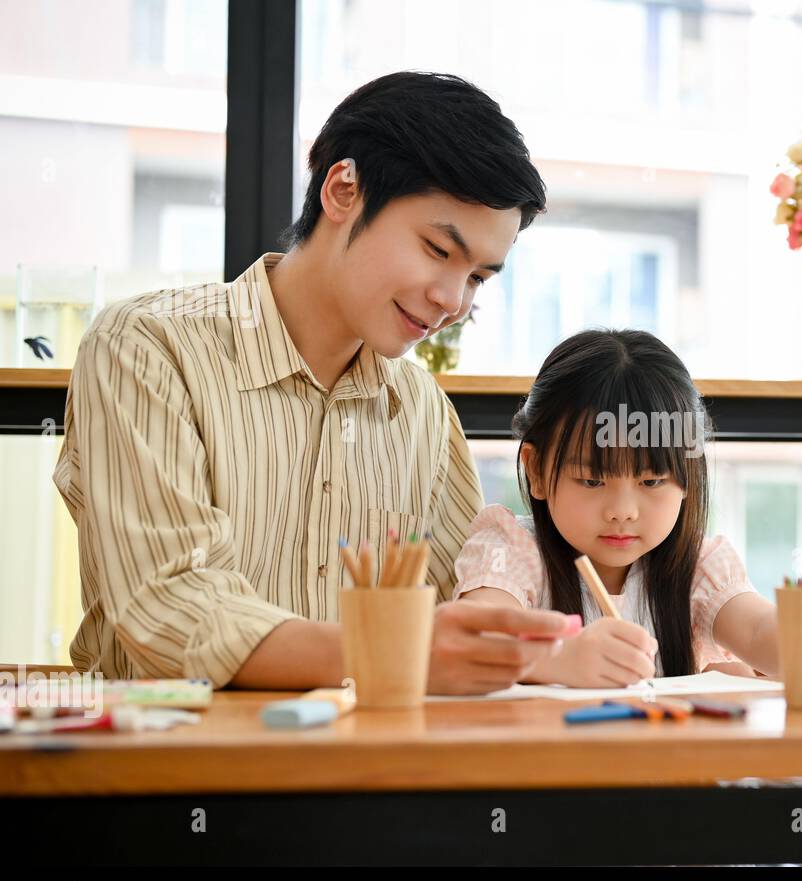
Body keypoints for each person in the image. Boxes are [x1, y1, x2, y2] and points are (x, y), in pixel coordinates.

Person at [53, 72, 572, 692]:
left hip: (370, 773)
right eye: (438, 250)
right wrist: (392, 651)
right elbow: (171, 606)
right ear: (342, 189)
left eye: (478, 278)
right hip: (171, 767)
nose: (451, 300)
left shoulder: (422, 413)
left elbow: (462, 610)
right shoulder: (147, 348)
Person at [454, 329, 781, 687]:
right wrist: (558, 658)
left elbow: (757, 630)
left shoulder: (700, 566)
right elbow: (471, 639)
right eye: (593, 481)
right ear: (537, 471)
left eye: (652, 481)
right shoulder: (512, 551)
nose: (622, 512)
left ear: (688, 474)